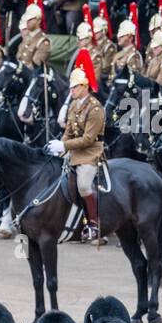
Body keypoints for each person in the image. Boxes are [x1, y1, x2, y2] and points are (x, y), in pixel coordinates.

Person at [47, 51, 106, 241]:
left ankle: (95, 224)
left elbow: (88, 139)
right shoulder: (74, 105)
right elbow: (69, 132)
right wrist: (60, 146)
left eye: (74, 87)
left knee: (83, 186)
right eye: (71, 87)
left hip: (90, 153)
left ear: (84, 86)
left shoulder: (95, 108)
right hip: (74, 151)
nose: (71, 90)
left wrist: (64, 144)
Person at [16, 2, 51, 68]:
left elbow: (35, 65)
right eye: (27, 19)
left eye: (31, 19)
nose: (27, 21)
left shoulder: (43, 41)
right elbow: (18, 58)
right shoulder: (26, 38)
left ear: (38, 21)